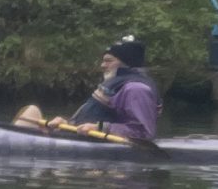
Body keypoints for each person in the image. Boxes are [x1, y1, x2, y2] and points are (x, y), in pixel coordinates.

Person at [18, 36, 160, 143]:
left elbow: (143, 133)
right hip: (78, 137)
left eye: (109, 60)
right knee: (31, 111)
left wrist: (100, 128)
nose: (102, 65)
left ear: (127, 63)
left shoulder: (137, 89)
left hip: (97, 144)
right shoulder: (119, 84)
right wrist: (66, 123)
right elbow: (91, 121)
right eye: (103, 60)